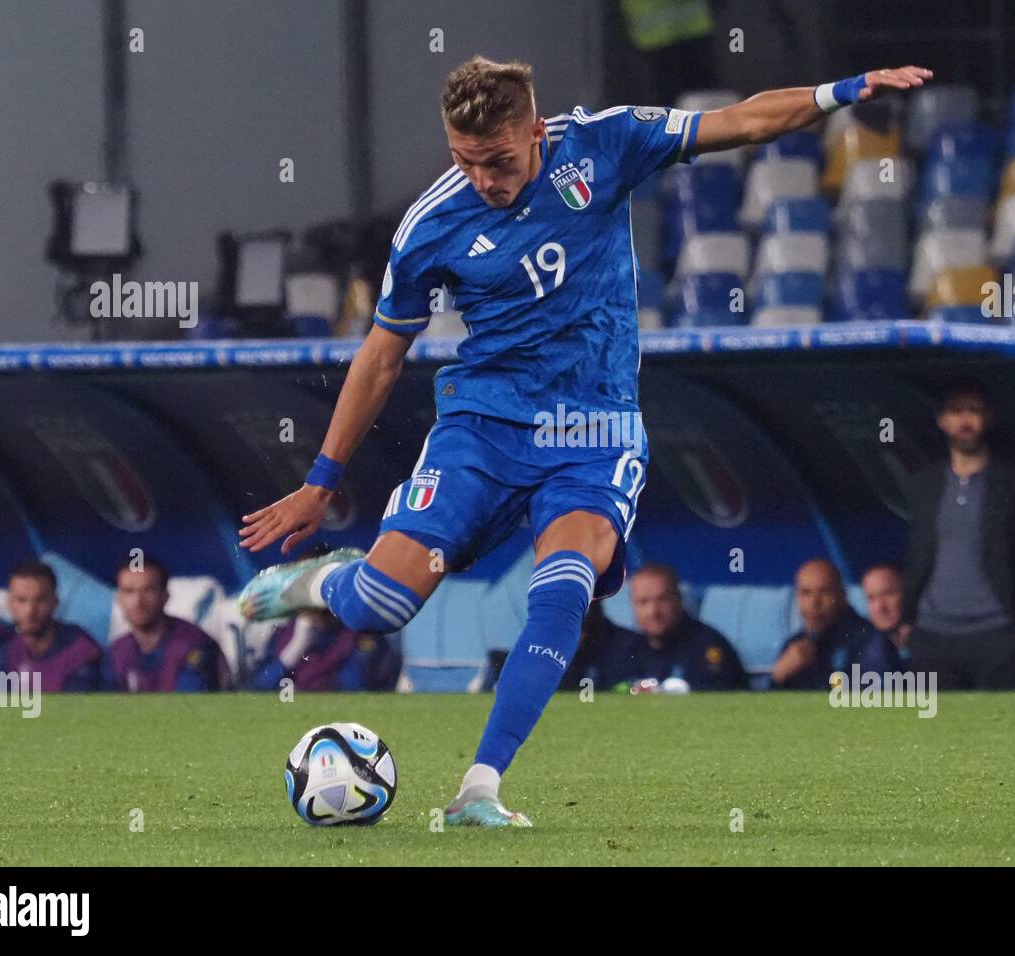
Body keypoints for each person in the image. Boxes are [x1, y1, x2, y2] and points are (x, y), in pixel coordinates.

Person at [236, 54, 932, 827]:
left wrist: (839, 92)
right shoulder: (432, 224)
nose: (484, 180)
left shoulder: (605, 143)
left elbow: (741, 121)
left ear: (536, 132)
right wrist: (321, 480)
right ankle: (318, 583)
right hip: (483, 428)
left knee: (563, 588)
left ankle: (479, 789)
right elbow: (381, 355)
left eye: (499, 161)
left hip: (595, 433)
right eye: (465, 161)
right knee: (380, 605)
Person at [902, 380, 1015, 690]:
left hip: (997, 633)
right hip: (932, 635)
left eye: (973, 410)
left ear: (988, 418)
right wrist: (907, 618)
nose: (965, 420)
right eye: (956, 411)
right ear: (942, 420)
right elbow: (917, 553)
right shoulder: (923, 485)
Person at [608, 563, 746, 691]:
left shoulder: (707, 647)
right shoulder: (626, 651)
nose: (653, 612)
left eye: (662, 599)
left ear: (678, 599)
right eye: (643, 602)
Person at [771, 559, 896, 689]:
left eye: (824, 592)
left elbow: (875, 696)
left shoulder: (869, 643)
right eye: (805, 593)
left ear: (842, 596)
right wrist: (778, 677)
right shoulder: (794, 646)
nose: (814, 603)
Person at [106, 558, 226, 692]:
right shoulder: (117, 652)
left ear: (165, 595)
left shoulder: (194, 646)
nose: (138, 601)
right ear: (119, 599)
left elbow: (191, 703)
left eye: (148, 590)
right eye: (129, 591)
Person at [4, 560, 103, 692]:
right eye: (21, 600)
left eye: (40, 600)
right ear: (10, 603)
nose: (30, 611)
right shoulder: (0, 645)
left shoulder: (80, 648)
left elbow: (78, 703)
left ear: (55, 602)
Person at [252, 609, 401, 692]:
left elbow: (353, 686)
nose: (316, 614)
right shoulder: (285, 634)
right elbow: (258, 688)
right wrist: (294, 650)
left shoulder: (354, 635)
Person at [860, 563, 910, 660]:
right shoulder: (861, 652)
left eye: (888, 594)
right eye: (871, 598)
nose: (880, 607)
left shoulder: (934, 638)